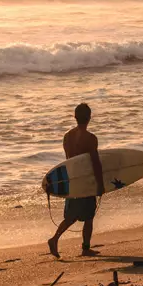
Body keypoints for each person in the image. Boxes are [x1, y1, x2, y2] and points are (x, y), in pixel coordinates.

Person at [48, 103, 105, 258]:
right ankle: (83, 247)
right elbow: (95, 163)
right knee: (88, 216)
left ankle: (57, 239)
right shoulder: (91, 138)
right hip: (85, 181)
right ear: (90, 118)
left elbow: (69, 160)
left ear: (75, 117)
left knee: (72, 215)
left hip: (71, 179)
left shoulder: (67, 136)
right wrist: (100, 184)